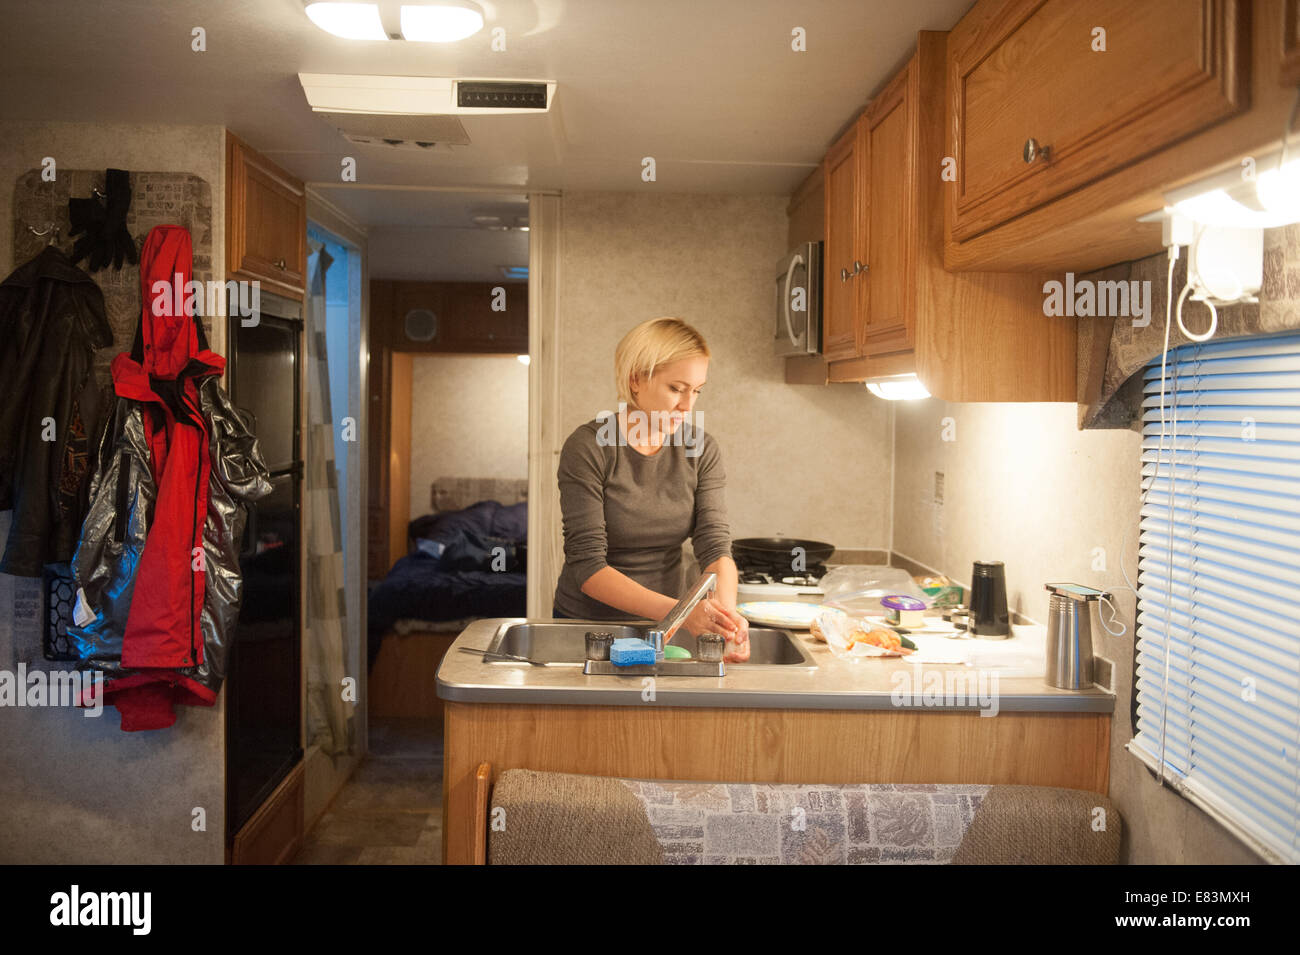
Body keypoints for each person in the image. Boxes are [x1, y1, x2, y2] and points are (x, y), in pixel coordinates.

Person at [552, 317, 750, 661]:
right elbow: (587, 567)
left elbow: (715, 545)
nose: (688, 406)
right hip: (590, 630)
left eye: (697, 390)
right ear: (635, 379)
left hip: (665, 629)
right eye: (676, 388)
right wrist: (685, 612)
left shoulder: (701, 448)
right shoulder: (589, 447)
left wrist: (726, 620)